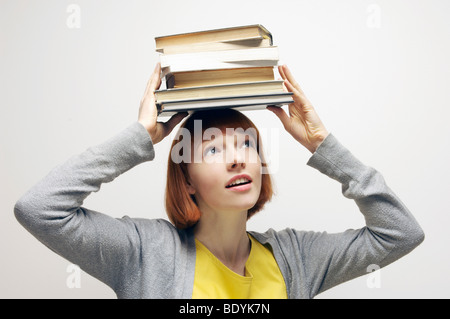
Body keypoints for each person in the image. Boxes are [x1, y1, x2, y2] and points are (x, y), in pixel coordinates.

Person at [14, 63, 424, 299]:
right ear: (187, 180)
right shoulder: (142, 253)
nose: (235, 160)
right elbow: (40, 209)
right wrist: (140, 137)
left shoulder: (297, 257)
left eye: (246, 144)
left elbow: (400, 234)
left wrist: (322, 144)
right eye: (212, 149)